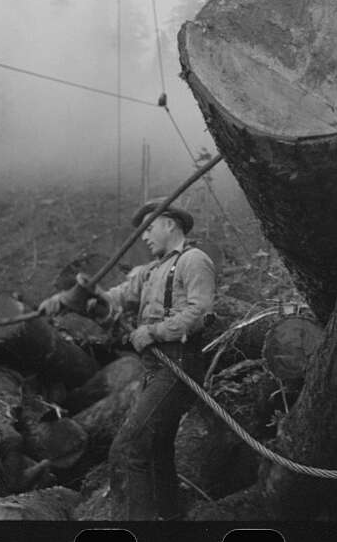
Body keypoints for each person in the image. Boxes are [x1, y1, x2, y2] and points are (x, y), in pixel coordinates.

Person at [38, 204, 215, 520]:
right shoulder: (147, 272)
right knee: (157, 450)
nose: (144, 236)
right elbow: (111, 299)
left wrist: (154, 331)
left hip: (179, 366)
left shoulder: (194, 261)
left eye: (149, 228)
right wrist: (64, 300)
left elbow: (199, 313)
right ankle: (170, 525)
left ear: (170, 224)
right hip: (155, 369)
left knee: (129, 446)